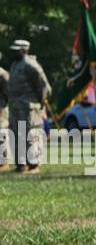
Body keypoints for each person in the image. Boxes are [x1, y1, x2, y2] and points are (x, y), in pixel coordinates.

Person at [6, 40, 50, 174]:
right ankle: (21, 165)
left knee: (32, 135)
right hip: (15, 108)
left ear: (24, 50)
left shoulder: (31, 65)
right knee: (16, 134)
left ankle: (34, 165)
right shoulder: (14, 65)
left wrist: (39, 104)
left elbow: (44, 86)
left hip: (29, 108)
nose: (14, 52)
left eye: (16, 50)